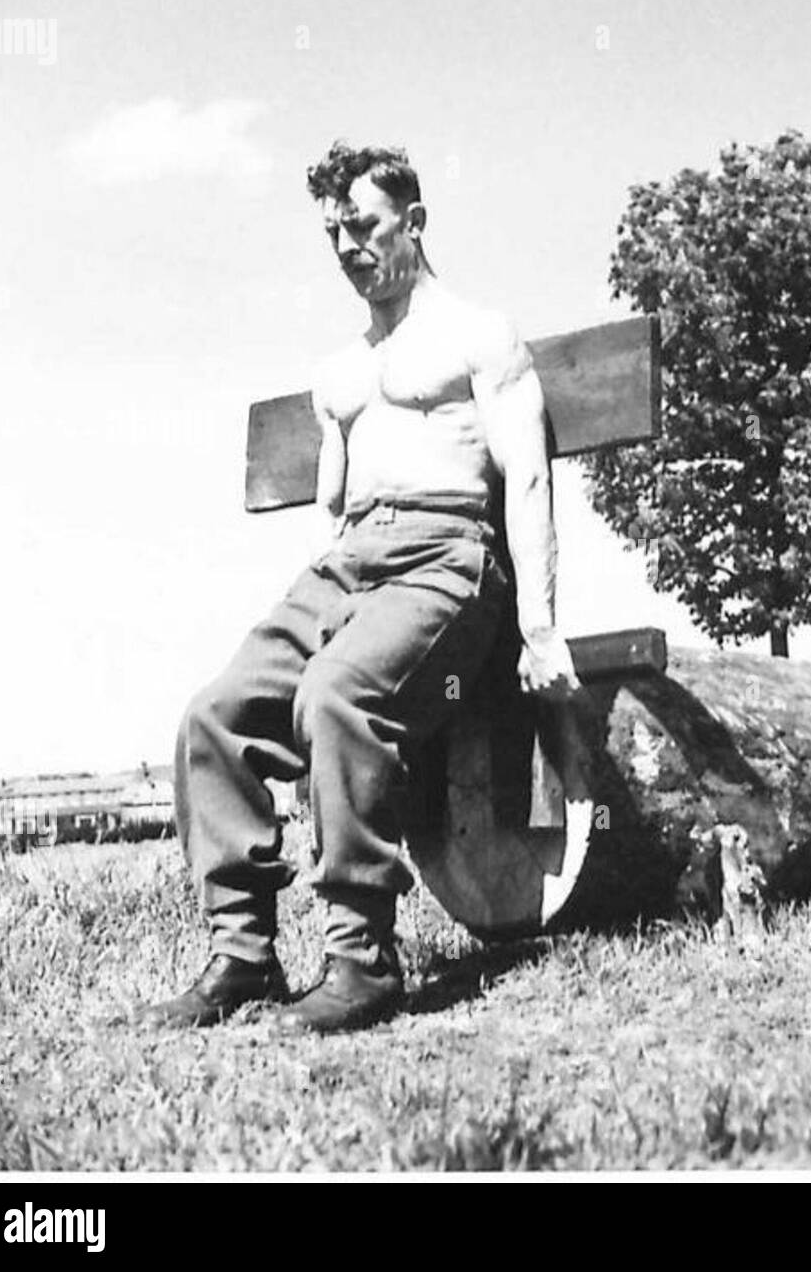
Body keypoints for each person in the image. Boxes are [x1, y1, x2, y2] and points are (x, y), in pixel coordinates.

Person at [139, 143, 579, 1034]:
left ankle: (362, 964)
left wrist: (539, 629)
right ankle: (243, 955)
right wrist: (309, 611)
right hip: (348, 569)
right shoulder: (338, 373)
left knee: (338, 698)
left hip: (448, 558)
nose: (347, 246)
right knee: (214, 715)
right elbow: (331, 518)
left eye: (365, 225)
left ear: (414, 222)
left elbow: (527, 480)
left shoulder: (478, 334)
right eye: (334, 232)